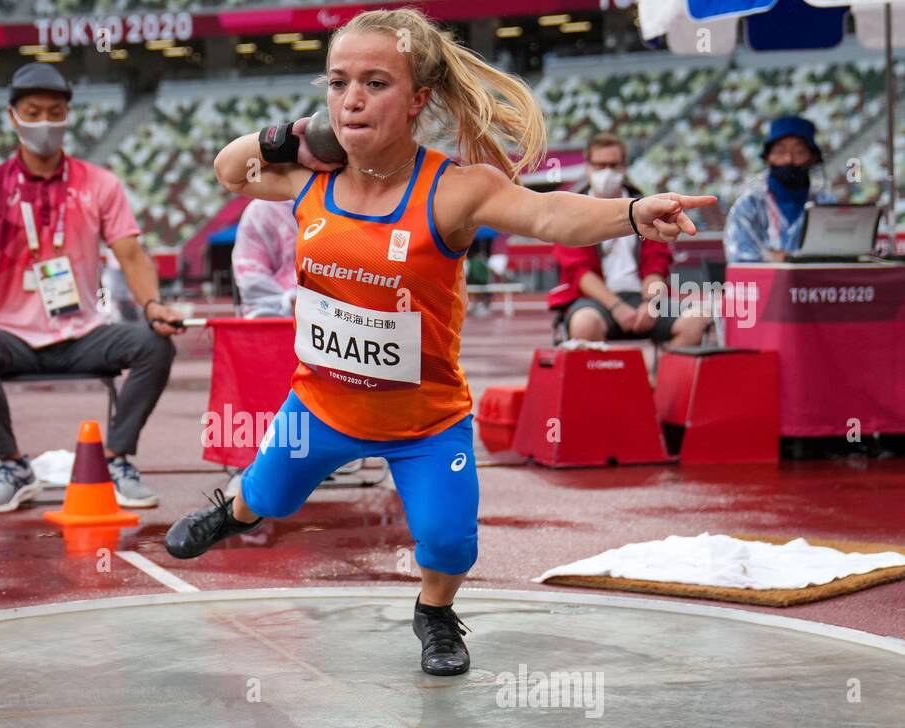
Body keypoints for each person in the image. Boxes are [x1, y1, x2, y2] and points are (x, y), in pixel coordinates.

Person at [165, 8, 713, 676]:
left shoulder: (453, 190)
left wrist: (631, 213)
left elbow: (548, 213)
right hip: (320, 410)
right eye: (337, 83)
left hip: (424, 421)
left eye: (375, 82)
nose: (351, 99)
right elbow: (231, 170)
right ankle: (231, 508)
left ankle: (435, 614)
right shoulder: (310, 178)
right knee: (267, 501)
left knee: (451, 543)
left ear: (420, 98)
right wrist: (285, 136)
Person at [0, 64, 184, 513]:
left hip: (84, 334)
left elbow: (130, 254)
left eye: (56, 111)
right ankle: (11, 464)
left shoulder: (99, 183)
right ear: (13, 117)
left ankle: (115, 459)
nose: (45, 122)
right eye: (33, 112)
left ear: (69, 115)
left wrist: (153, 306)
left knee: (155, 343)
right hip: (9, 335)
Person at [548, 132, 706, 346]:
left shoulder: (646, 208)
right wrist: (617, 307)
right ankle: (606, 379)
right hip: (594, 301)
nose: (607, 173)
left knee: (695, 320)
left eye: (613, 166)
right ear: (588, 168)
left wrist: (651, 303)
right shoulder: (572, 212)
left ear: (624, 167)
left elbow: (655, 266)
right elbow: (580, 273)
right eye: (600, 166)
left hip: (640, 296)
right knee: (584, 324)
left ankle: (659, 379)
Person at [725, 115, 836, 263]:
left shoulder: (826, 204)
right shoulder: (749, 205)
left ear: (813, 157)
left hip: (815, 286)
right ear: (768, 157)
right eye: (780, 151)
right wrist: (776, 259)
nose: (788, 159)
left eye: (799, 152)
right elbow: (739, 258)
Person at [232, 199, 298, 317]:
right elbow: (251, 277)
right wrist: (289, 299)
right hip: (274, 318)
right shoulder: (261, 211)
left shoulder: (335, 200)